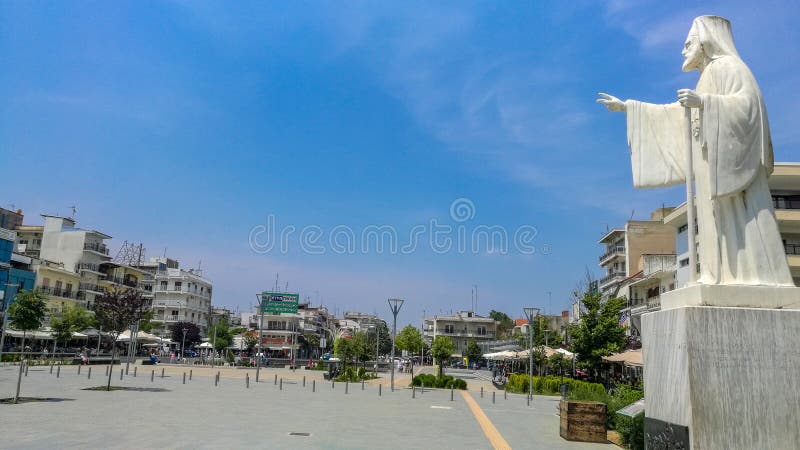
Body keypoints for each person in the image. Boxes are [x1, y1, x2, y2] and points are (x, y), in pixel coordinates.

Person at [597, 15, 793, 286]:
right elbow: (677, 114)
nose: (683, 49)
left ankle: (746, 276)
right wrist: (629, 107)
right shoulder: (707, 76)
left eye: (688, 43)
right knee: (713, 223)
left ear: (705, 42)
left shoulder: (730, 67)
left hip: (730, 165)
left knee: (738, 223)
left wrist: (705, 102)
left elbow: (750, 106)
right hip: (709, 165)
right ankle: (717, 273)